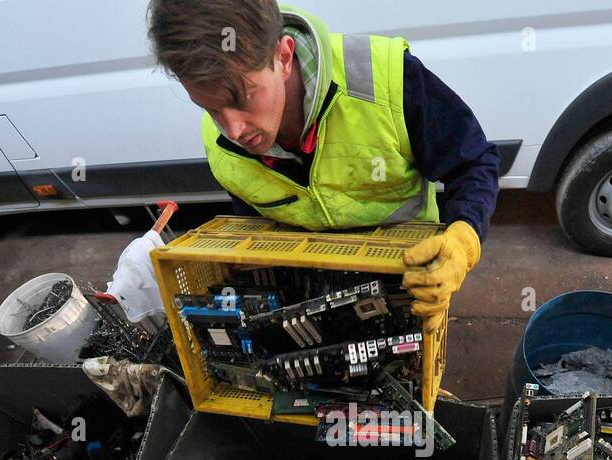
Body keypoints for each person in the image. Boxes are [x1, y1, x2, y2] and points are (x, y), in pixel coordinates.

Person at [147, 0, 499, 319]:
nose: (233, 129)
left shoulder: (384, 79)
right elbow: (258, 234)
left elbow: (472, 162)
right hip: (305, 312)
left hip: (409, 284)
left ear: (283, 57)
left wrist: (464, 238)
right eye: (211, 109)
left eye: (244, 98)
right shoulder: (222, 147)